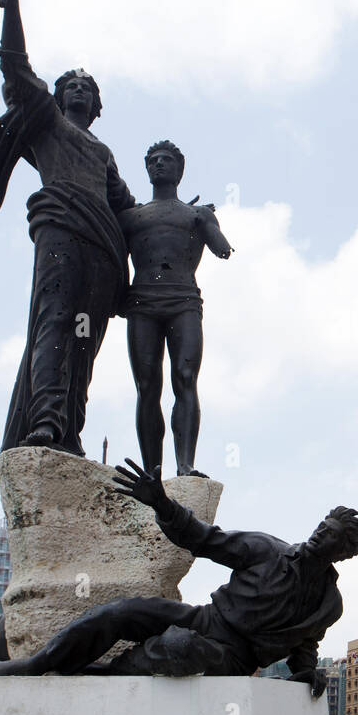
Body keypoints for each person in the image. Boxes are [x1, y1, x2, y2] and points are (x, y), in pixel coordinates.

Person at [0, 0, 136, 456]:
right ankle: (44, 422)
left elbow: (129, 212)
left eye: (89, 87)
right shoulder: (49, 125)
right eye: (71, 84)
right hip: (61, 231)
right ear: (56, 97)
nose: (80, 89)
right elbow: (14, 60)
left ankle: (69, 429)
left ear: (98, 106)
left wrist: (180, 223)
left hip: (105, 251)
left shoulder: (103, 154)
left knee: (85, 343)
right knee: (55, 324)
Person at [0, 459, 358, 697]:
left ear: (341, 552)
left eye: (330, 536)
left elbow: (306, 642)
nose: (318, 535)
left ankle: (96, 678)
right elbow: (204, 539)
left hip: (233, 656)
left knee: (179, 647)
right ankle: (35, 665)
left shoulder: (330, 604)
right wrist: (163, 503)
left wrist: (305, 671)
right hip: (206, 618)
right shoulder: (266, 550)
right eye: (321, 526)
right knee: (126, 612)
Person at [119, 140, 232, 477]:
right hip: (142, 302)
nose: (159, 164)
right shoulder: (132, 217)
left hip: (184, 300)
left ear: (179, 169)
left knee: (185, 378)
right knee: (147, 385)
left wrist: (208, 222)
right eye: (153, 160)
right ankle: (152, 471)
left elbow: (223, 250)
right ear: (146, 169)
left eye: (166, 160)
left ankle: (185, 464)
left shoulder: (197, 214)